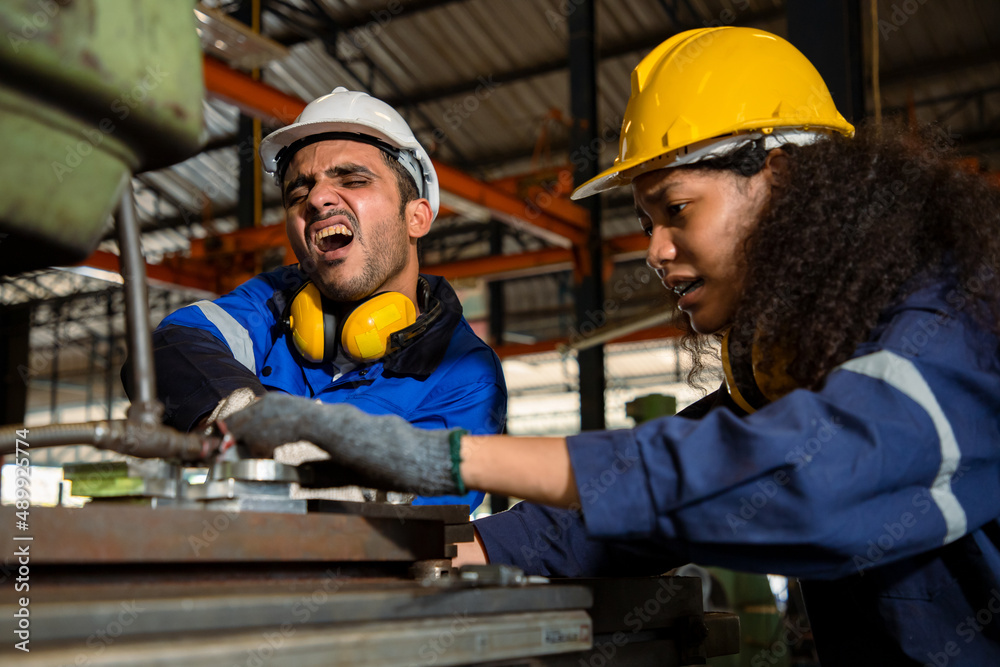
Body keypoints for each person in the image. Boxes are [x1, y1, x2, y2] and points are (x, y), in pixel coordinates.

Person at [223, 27, 1000, 665]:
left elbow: (817, 479)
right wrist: (430, 556)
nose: (656, 250)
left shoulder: (953, 328)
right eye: (645, 221)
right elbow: (626, 512)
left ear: (783, 180)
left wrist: (447, 458)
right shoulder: (796, 368)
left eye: (677, 208)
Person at [128, 87, 507, 511]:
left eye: (353, 179)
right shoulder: (274, 299)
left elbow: (417, 532)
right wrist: (246, 418)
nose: (317, 198)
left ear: (416, 216)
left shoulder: (466, 374)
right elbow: (172, 345)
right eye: (298, 192)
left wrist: (309, 474)